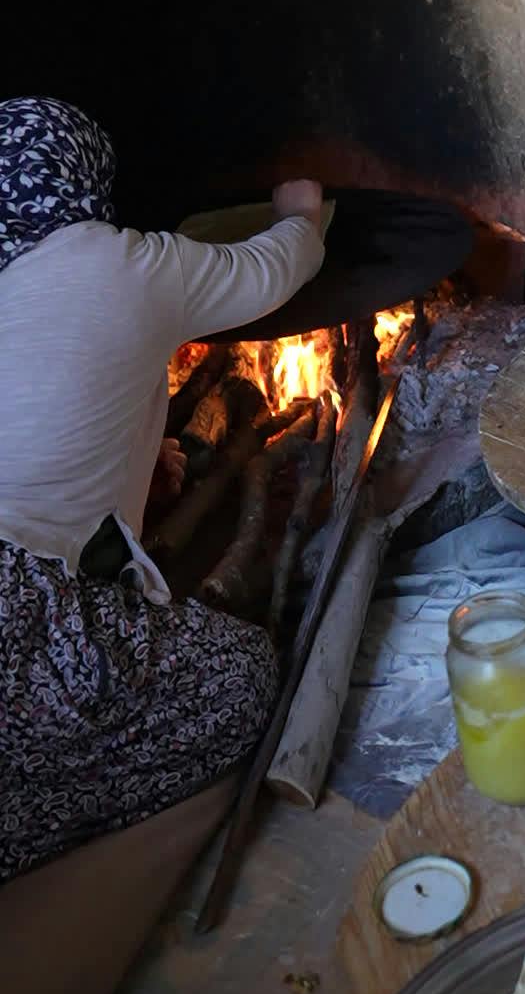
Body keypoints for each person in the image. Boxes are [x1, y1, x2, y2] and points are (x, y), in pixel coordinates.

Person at [0, 96, 328, 883]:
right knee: (243, 682)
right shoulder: (104, 259)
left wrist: (135, 463)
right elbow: (273, 270)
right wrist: (303, 215)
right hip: (19, 608)